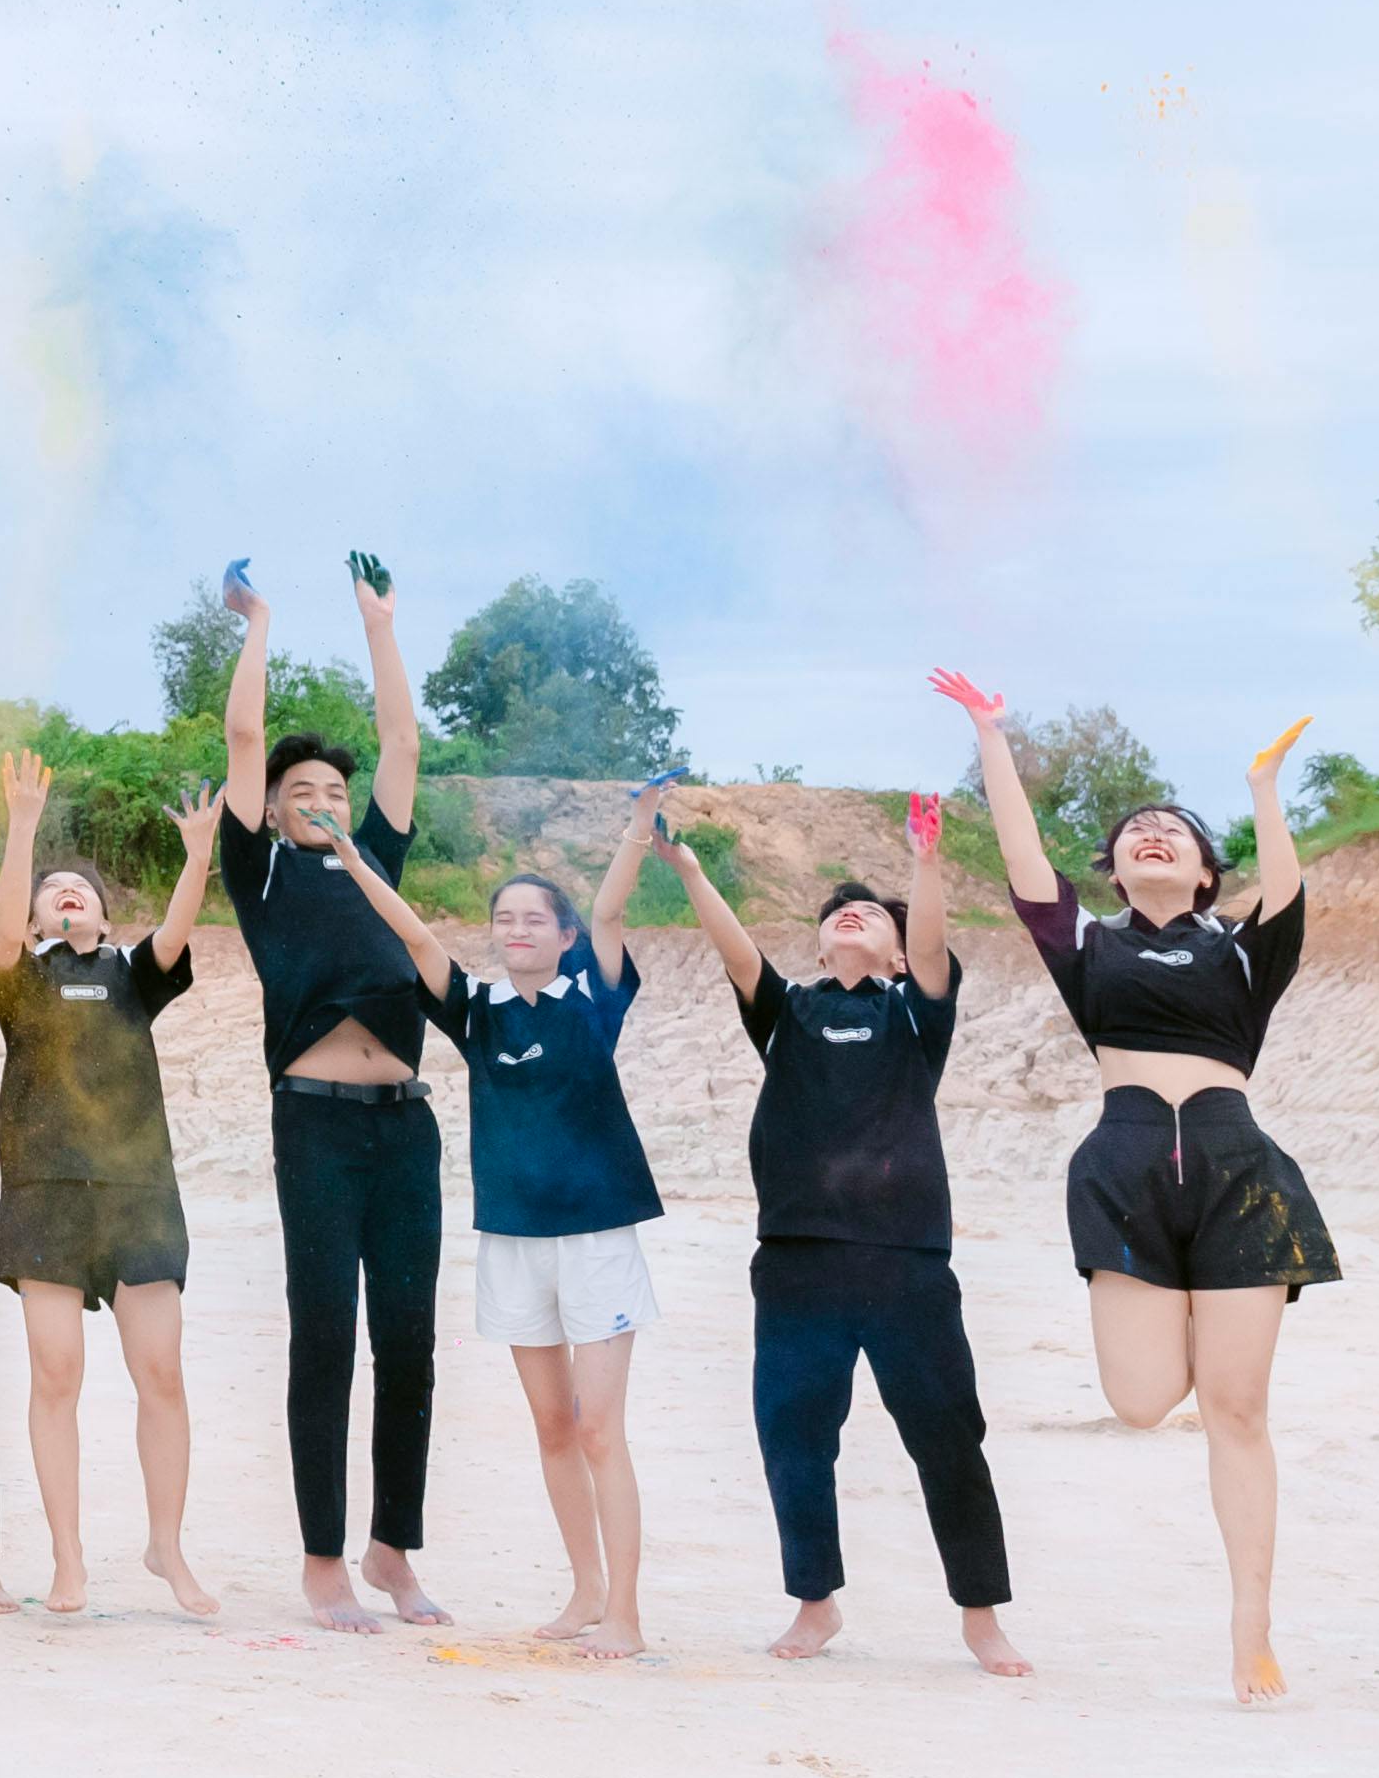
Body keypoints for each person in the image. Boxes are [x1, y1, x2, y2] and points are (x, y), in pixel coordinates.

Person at [947, 667, 1326, 1704]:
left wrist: (1262, 787)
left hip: (1238, 1170)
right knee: (1144, 1399)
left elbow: (1287, 890)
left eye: (1174, 829)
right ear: (1114, 870)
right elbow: (1025, 862)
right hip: (1120, 1171)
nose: (1151, 833)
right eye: (1133, 830)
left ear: (1207, 871)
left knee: (1238, 1412)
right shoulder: (1089, 948)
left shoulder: (1246, 951)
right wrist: (991, 737)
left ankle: (1251, 1632)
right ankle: (1202, 1327)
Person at [650, 791, 1020, 1674]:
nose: (852, 914)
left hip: (907, 1264)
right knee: (794, 1434)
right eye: (836, 913)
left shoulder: (912, 1012)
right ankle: (815, 1604)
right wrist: (693, 872)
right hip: (797, 1261)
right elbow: (737, 954)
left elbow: (931, 947)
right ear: (818, 946)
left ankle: (981, 1617)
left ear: (895, 953)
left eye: (874, 916)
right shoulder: (788, 1013)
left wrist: (926, 866)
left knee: (946, 1438)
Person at [334, 801, 667, 1656]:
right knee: (553, 1427)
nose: (517, 929)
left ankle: (625, 1615)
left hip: (595, 1235)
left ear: (560, 937)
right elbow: (414, 940)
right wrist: (357, 861)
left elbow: (611, 911)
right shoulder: (478, 1008)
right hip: (512, 1239)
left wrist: (638, 827)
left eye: (534, 919)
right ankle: (585, 1591)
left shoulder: (593, 994)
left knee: (599, 1428)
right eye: (503, 919)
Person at [209, 568, 446, 1632]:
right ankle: (321, 1562)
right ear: (269, 809)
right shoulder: (259, 875)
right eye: (301, 793)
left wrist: (380, 629)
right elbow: (245, 739)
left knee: (409, 1338)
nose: (321, 802)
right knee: (325, 1335)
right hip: (313, 1124)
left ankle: (393, 1546)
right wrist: (259, 626)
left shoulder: (372, 858)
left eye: (333, 795)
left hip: (407, 1127)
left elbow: (401, 743)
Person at [0, 750, 217, 1616]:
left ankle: (168, 1547)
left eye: (82, 887)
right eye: (54, 889)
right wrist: (21, 829)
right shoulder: (21, 978)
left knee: (160, 1372)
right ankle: (68, 1558)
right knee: (56, 1376)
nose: (67, 893)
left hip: (137, 1191)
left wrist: (197, 856)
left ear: (106, 914)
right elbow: (3, 929)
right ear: (40, 915)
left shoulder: (130, 974)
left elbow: (178, 931)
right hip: (45, 1192)